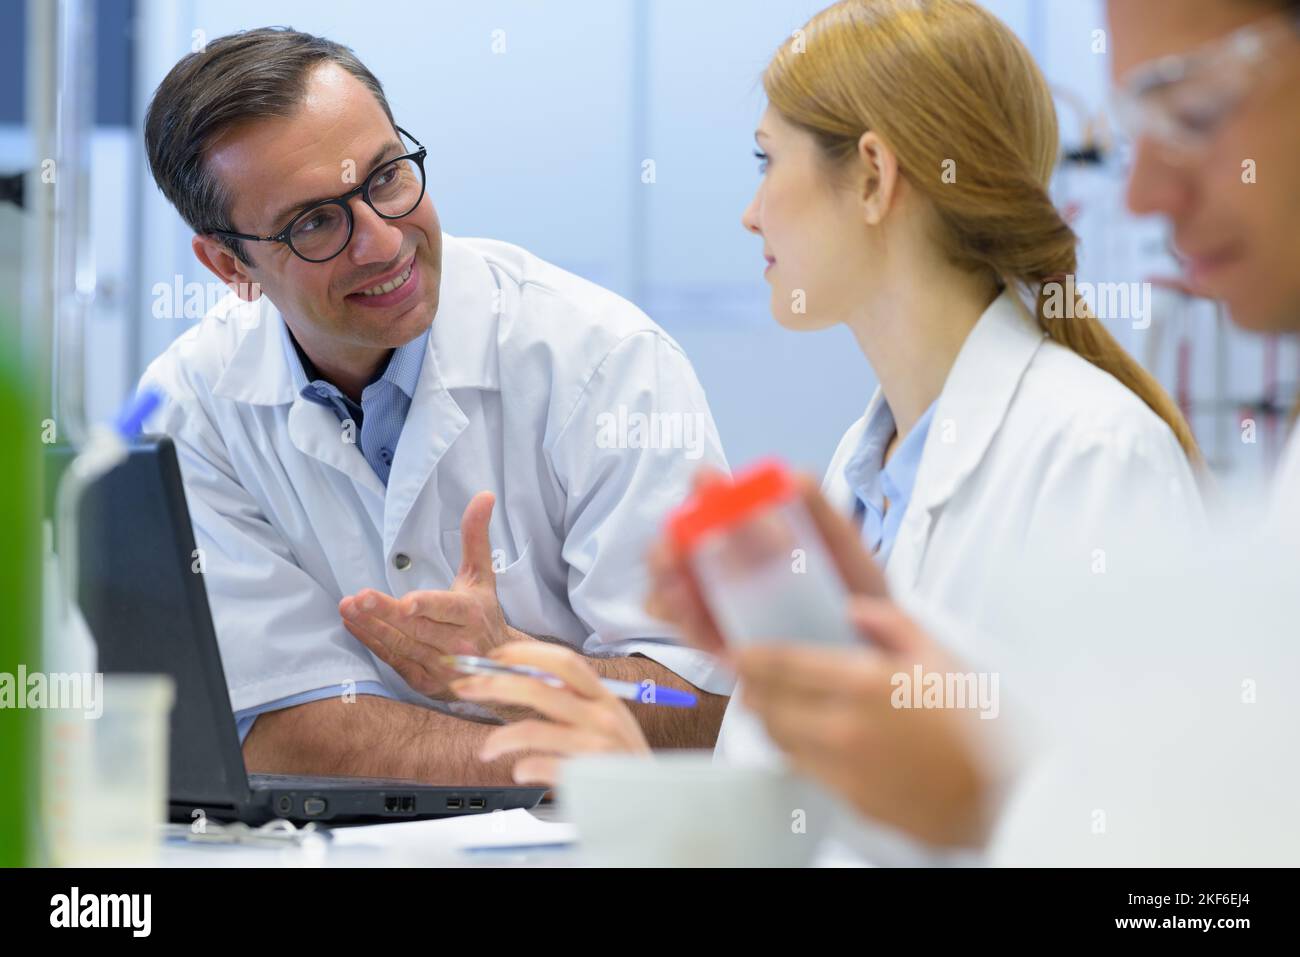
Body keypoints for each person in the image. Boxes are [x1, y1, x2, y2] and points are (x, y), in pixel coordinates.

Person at [445, 0, 1206, 850]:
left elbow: (1144, 859)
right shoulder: (864, 464)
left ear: (875, 176)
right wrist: (625, 762)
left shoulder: (1091, 453)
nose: (750, 210)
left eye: (767, 161)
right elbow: (804, 828)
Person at [138, 27, 733, 785]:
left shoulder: (606, 361)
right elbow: (281, 727)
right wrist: (552, 736)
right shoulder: (192, 410)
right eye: (316, 222)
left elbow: (698, 698)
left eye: (387, 177)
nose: (383, 244)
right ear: (230, 265)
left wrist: (522, 667)